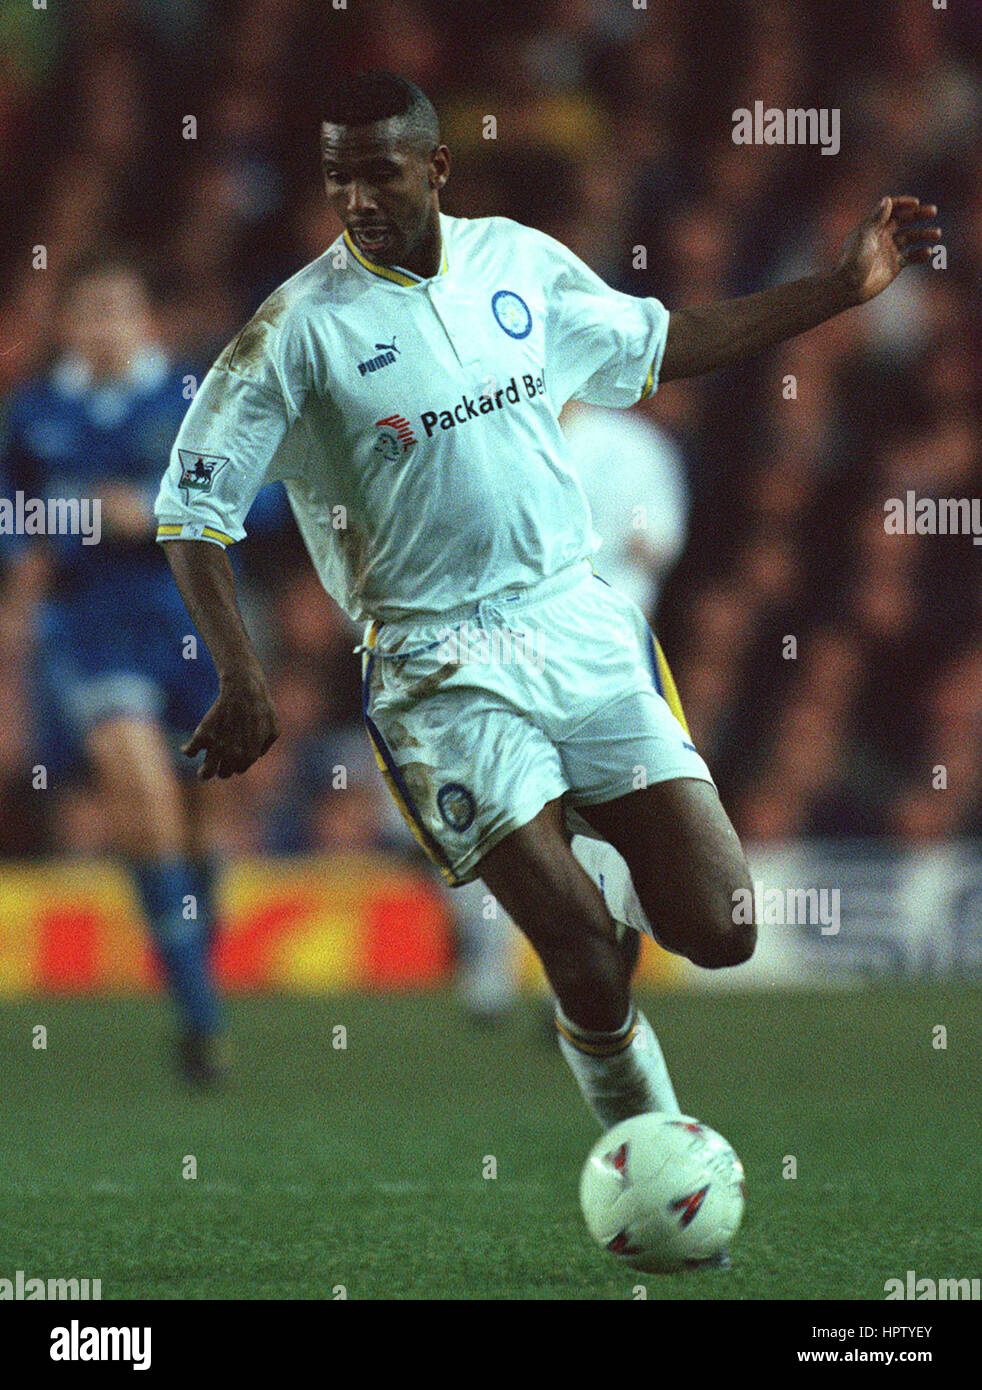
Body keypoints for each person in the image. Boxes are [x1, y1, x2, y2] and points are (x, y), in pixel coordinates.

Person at [153, 70, 939, 1147]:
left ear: (435, 167)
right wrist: (242, 673)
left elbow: (662, 345)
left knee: (723, 930)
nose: (356, 198)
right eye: (337, 177)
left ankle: (593, 916)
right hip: (437, 667)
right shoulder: (291, 331)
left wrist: (838, 290)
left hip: (576, 624)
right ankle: (656, 1153)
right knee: (573, 939)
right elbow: (191, 513)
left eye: (379, 171)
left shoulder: (516, 260)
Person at [0, 258, 282, 1087]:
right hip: (91, 628)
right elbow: (9, 507)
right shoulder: (36, 409)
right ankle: (200, 1014)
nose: (104, 328)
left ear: (148, 320)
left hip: (195, 622)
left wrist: (159, 510)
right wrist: (45, 548)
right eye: (89, 313)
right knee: (140, 790)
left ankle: (193, 917)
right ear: (71, 325)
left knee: (200, 820)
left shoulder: (194, 399)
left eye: (119, 310)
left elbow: (268, 501)